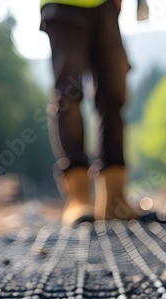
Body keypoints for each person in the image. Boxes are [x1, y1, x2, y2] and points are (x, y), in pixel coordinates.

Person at [40, 0, 146, 224]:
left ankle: (114, 197)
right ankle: (78, 197)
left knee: (114, 94)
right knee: (68, 95)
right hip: (63, 4)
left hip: (105, 6)